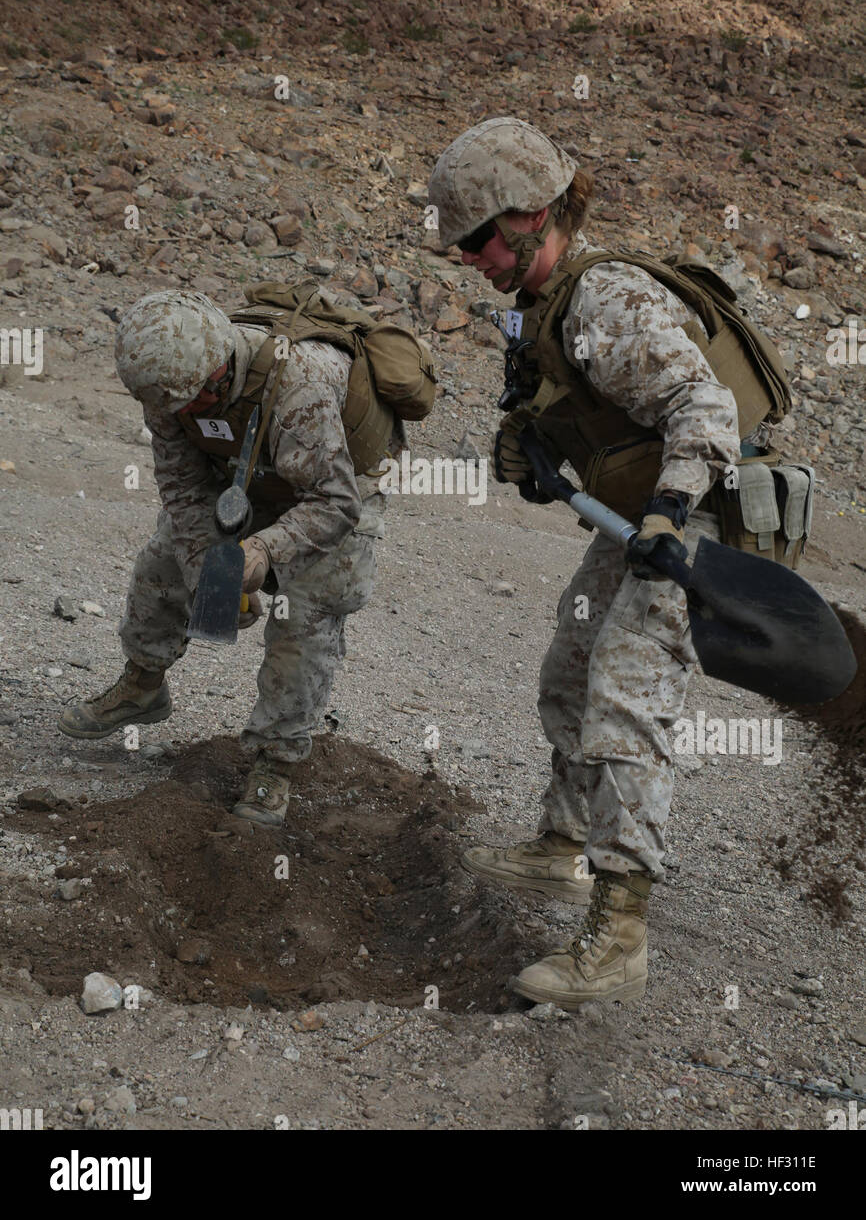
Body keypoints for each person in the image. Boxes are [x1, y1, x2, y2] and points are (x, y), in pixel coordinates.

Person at [428, 116, 787, 1007]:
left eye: (476, 239)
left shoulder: (606, 300)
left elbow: (703, 409)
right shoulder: (542, 310)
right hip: (637, 515)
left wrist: (667, 515)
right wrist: (532, 456)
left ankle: (620, 932)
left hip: (690, 516)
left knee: (627, 689)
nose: (468, 259)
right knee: (571, 665)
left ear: (532, 216)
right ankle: (563, 848)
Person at [58, 289, 394, 826]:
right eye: (171, 407)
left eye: (195, 402)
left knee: (307, 610)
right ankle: (142, 685)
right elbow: (183, 488)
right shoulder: (170, 391)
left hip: (332, 492)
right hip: (244, 475)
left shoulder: (300, 385)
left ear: (221, 370)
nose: (181, 414)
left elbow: (335, 503)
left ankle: (275, 762)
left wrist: (263, 550)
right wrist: (207, 578)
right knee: (166, 556)